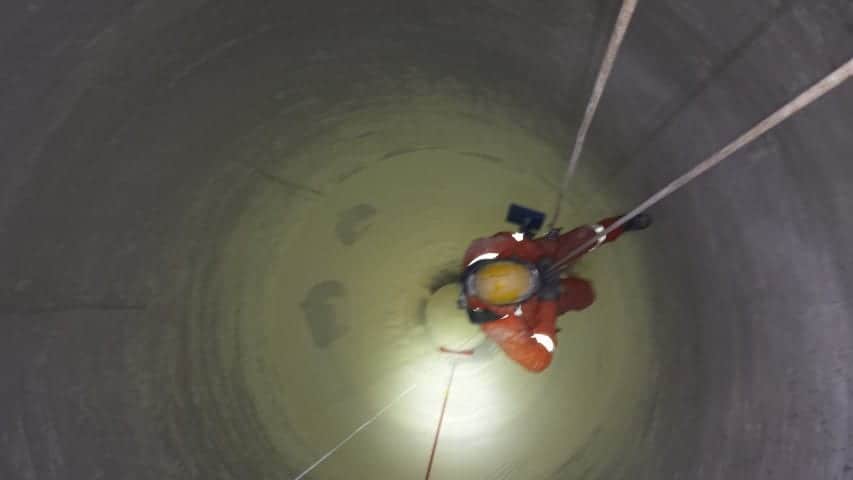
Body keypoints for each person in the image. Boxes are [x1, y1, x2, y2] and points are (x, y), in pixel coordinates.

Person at [459, 214, 652, 372]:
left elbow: (515, 241)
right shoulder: (501, 326)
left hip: (535, 260)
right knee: (584, 294)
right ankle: (563, 284)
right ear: (509, 303)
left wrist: (544, 252)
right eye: (527, 284)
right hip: (539, 304)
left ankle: (621, 225)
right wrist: (547, 300)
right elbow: (538, 361)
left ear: (503, 263)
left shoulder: (483, 251)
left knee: (583, 238)